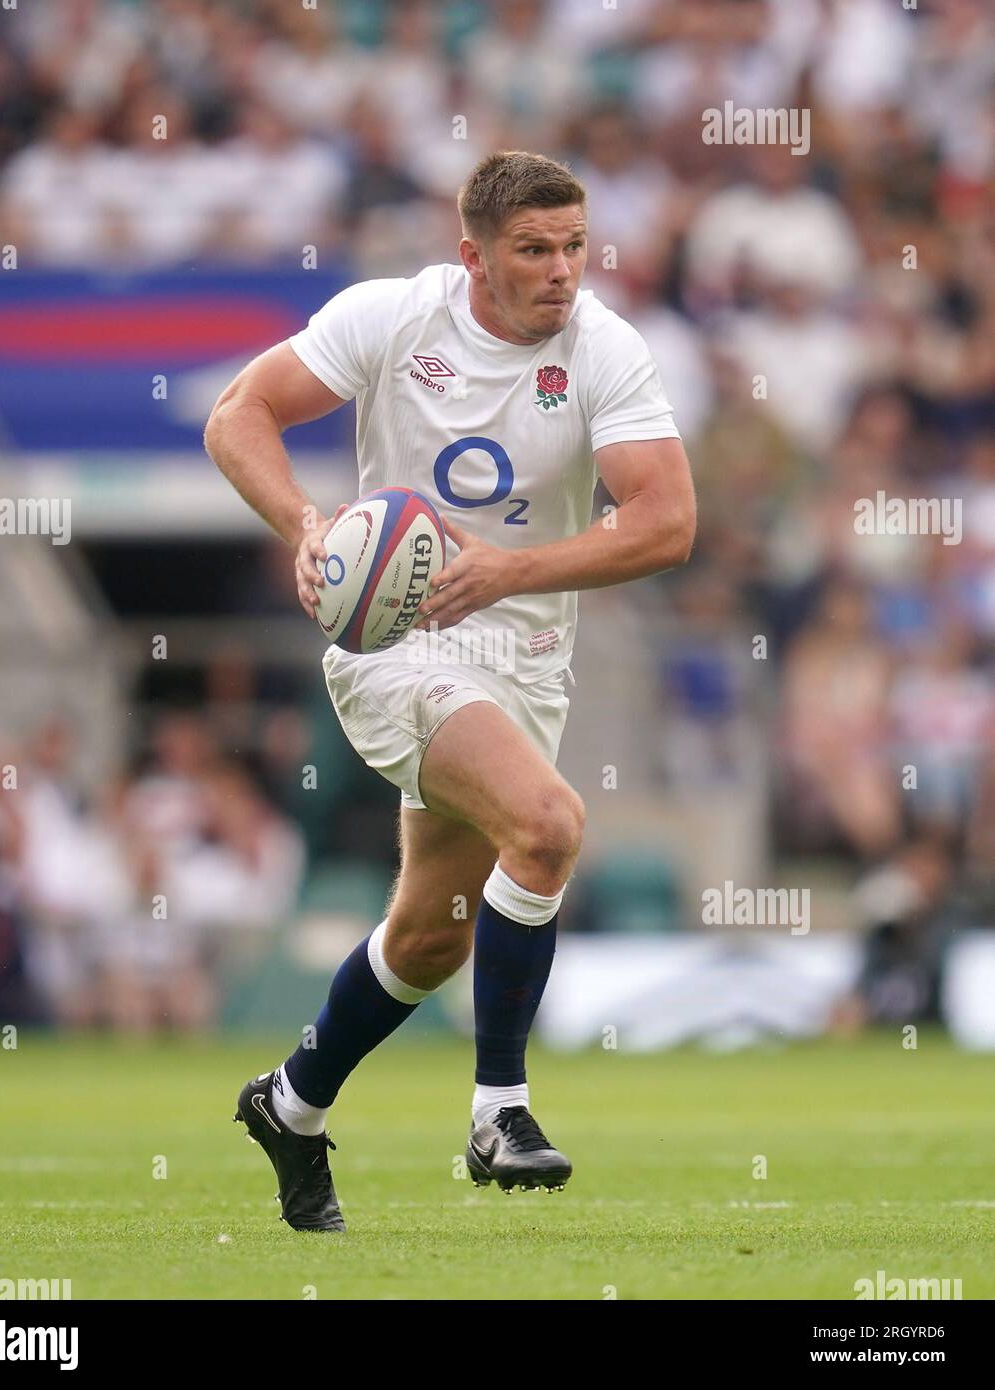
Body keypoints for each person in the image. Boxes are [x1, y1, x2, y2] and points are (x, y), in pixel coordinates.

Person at [204, 149, 695, 1232]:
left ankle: (290, 1103)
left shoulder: (605, 349)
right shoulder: (392, 317)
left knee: (432, 932)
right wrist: (306, 525)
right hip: (393, 644)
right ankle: (499, 1110)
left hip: (524, 656)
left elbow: (665, 522)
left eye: (574, 246)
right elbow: (239, 414)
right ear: (474, 256)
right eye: (534, 249)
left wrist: (514, 570)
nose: (562, 270)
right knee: (550, 823)